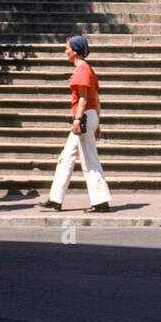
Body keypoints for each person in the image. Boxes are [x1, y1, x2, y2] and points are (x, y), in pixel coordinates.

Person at [40, 36, 111, 214]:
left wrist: (78, 120)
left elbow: (84, 98)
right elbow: (96, 99)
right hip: (89, 117)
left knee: (89, 160)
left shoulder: (82, 71)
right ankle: (55, 198)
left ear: (76, 51)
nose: (65, 51)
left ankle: (101, 201)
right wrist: (97, 122)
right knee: (66, 158)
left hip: (84, 117)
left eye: (67, 48)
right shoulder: (88, 70)